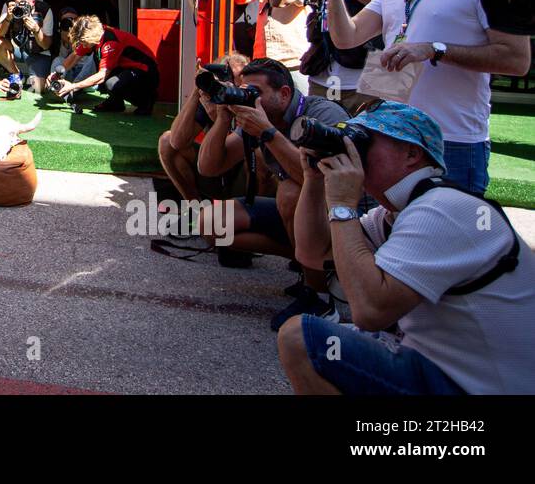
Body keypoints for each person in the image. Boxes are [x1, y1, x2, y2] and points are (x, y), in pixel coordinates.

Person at [280, 101, 535, 395]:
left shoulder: (443, 209)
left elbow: (371, 311)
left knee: (300, 338)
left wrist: (342, 206)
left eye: (363, 141)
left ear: (412, 154)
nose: (352, 150)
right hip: (442, 369)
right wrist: (314, 179)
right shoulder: (397, 212)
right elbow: (312, 253)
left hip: (480, 387)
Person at [326, 0, 530, 194]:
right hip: (395, 138)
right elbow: (346, 38)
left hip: (454, 142)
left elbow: (516, 60)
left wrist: (434, 50)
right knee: (399, 236)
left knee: (454, 240)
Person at [196, 57, 350, 326]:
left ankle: (321, 298)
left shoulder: (323, 115)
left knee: (290, 192)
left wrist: (268, 132)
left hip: (340, 219)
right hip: (300, 219)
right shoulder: (258, 118)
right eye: (245, 91)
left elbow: (323, 182)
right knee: (212, 222)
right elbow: (209, 166)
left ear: (285, 93)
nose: (249, 99)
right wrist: (222, 118)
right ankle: (311, 268)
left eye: (256, 93)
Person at [157, 52, 250, 204]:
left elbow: (237, 148)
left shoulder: (251, 99)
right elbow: (177, 141)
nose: (232, 84)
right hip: (212, 170)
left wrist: (221, 121)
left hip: (243, 177)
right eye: (227, 77)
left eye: (239, 78)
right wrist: (198, 90)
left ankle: (252, 215)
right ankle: (195, 209)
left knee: (259, 157)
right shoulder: (213, 98)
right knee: (166, 142)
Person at [52, 14, 159, 115]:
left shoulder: (110, 42)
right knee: (100, 62)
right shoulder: (95, 35)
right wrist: (56, 74)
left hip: (147, 74)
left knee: (111, 83)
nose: (81, 45)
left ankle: (145, 102)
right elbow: (75, 56)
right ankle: (115, 103)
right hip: (127, 68)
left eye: (82, 42)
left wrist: (74, 86)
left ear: (88, 38)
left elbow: (101, 76)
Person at [0, 0, 55, 93]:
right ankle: (16, 75)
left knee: (38, 88)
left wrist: (37, 30)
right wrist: (8, 19)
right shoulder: (9, 6)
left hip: (37, 52)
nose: (21, 6)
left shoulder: (45, 10)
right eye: (18, 3)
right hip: (16, 48)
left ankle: (32, 78)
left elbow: (46, 45)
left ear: (33, 2)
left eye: (25, 3)